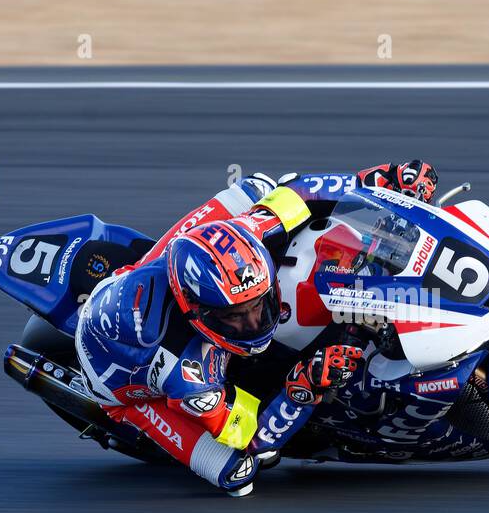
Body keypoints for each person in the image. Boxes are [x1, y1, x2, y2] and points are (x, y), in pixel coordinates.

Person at [73, 174, 363, 496]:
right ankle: (123, 411)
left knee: (259, 188)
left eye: (258, 305)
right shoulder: (188, 377)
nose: (254, 323)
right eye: (234, 316)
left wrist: (378, 178)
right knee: (241, 473)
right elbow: (253, 436)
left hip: (142, 273)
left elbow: (301, 191)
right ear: (198, 311)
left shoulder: (248, 231)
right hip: (122, 385)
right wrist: (303, 388)